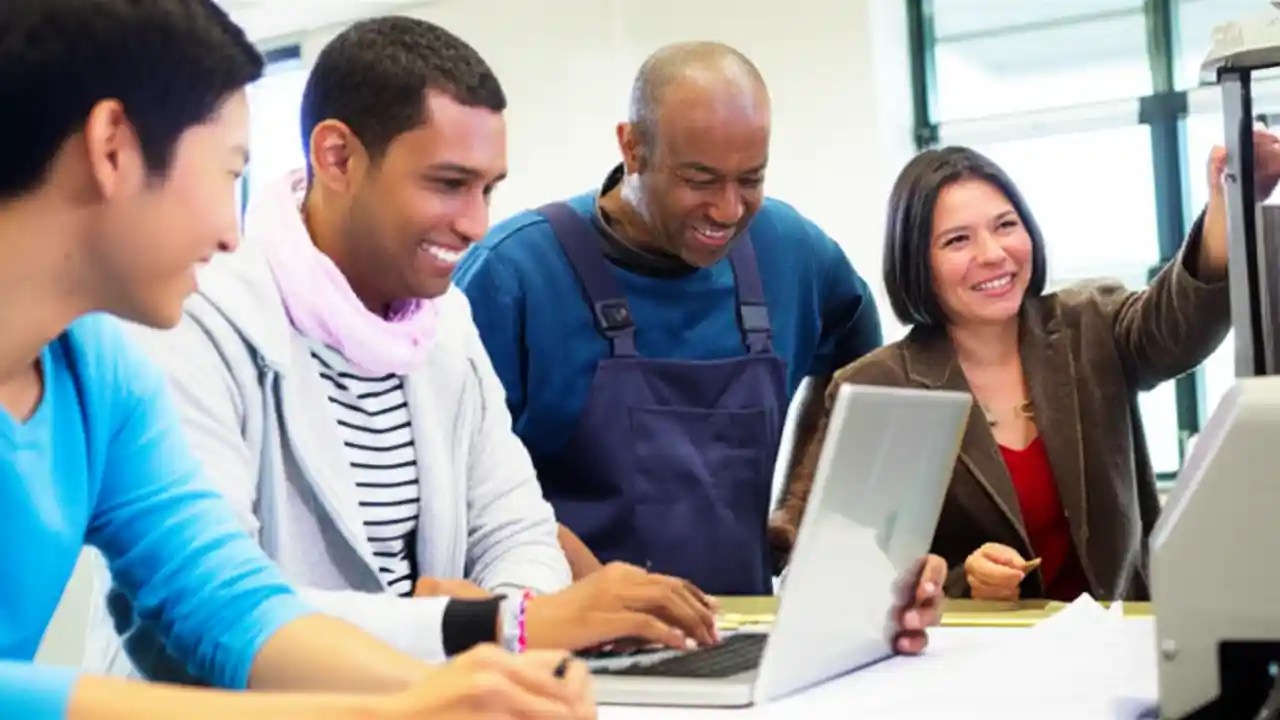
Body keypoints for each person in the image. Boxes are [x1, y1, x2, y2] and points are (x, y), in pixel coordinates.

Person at [83, 15, 720, 685]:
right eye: (448, 184)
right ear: (337, 158)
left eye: (488, 188)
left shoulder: (447, 322)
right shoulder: (190, 323)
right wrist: (496, 625)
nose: (475, 223)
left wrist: (513, 623)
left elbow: (518, 532)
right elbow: (213, 614)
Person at [0, 2, 594, 718]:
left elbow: (229, 605)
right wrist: (391, 707)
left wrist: (469, 680)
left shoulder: (97, 375)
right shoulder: (173, 338)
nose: (230, 230)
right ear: (113, 149)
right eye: (229, 172)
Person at [453, 40, 945, 650]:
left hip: (741, 641)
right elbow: (467, 489)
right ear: (632, 147)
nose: (728, 208)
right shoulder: (512, 275)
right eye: (700, 180)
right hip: (575, 656)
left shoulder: (789, 250)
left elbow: (862, 369)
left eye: (751, 179)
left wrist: (799, 506)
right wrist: (603, 594)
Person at [770, 139, 1280, 603]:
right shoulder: (875, 386)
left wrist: (1229, 203)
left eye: (1005, 225)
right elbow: (839, 572)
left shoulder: (1091, 325)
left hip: (1119, 648)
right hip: (968, 669)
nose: (993, 255)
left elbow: (1178, 325)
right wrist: (961, 580)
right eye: (957, 241)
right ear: (916, 262)